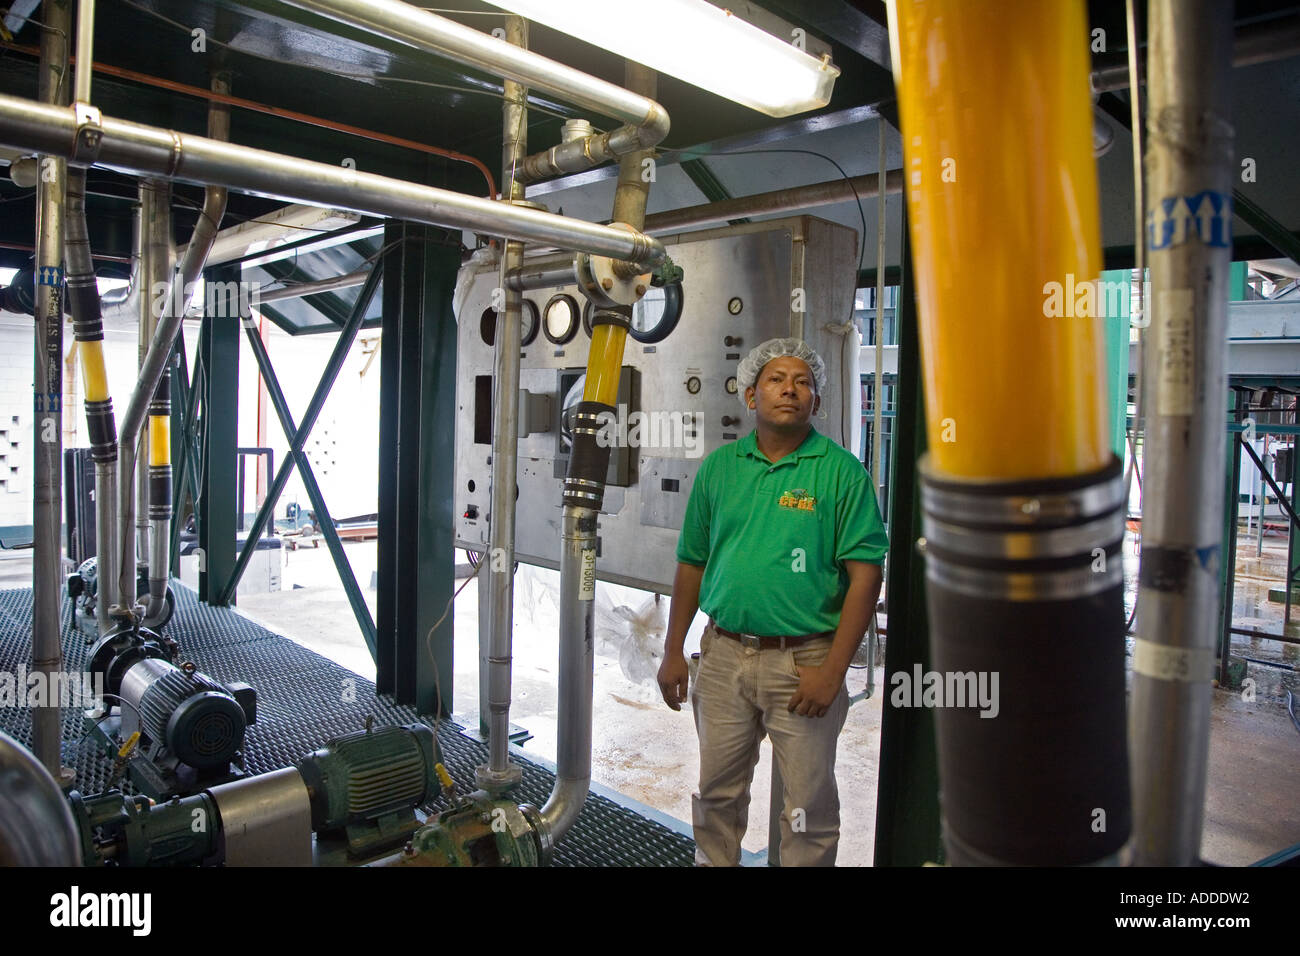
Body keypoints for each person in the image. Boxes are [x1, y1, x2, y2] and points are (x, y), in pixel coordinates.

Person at [656, 337, 887, 866]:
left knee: (807, 810)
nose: (790, 389)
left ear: (818, 402)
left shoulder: (840, 473)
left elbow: (866, 576)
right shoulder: (720, 468)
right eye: (777, 379)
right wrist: (674, 650)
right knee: (716, 795)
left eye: (803, 381)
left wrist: (833, 671)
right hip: (723, 657)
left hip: (804, 662)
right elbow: (691, 562)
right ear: (751, 395)